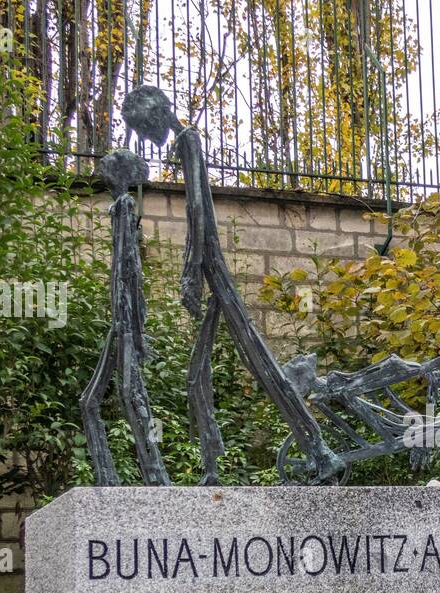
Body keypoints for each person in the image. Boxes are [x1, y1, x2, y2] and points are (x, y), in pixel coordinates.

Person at [122, 85, 344, 484]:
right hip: (213, 273)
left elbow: (197, 210)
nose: (144, 138)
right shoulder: (185, 142)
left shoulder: (188, 141)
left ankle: (318, 449)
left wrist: (191, 271)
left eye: (142, 127)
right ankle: (213, 467)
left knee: (259, 365)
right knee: (201, 372)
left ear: (156, 115)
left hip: (214, 272)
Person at [79, 149, 170, 486]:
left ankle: (145, 475)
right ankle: (140, 475)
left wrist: (130, 320)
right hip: (123, 318)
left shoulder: (122, 206)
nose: (104, 171)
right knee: (116, 395)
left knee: (119, 395)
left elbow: (128, 267)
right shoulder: (123, 206)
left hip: (123, 316)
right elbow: (127, 268)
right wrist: (130, 321)